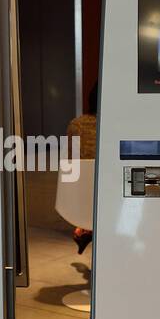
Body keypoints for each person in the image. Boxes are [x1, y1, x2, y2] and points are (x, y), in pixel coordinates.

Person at [66, 82, 98, 254]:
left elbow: (71, 162)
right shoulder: (115, 125)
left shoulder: (76, 125)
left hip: (84, 188)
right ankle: (86, 231)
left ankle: (84, 230)